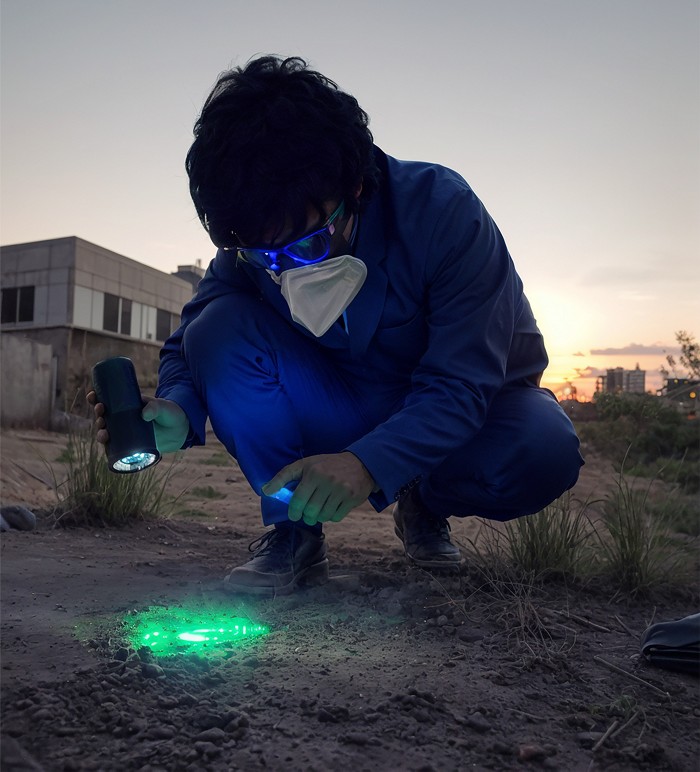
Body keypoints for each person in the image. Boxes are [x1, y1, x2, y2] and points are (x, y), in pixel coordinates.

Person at [91, 55, 583, 597]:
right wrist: (179, 407)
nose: (288, 269)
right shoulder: (254, 236)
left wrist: (369, 464)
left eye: (307, 245)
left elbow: (461, 384)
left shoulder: (445, 212)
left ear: (354, 190)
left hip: (468, 410)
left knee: (542, 448)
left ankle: (426, 501)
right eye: (263, 255)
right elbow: (192, 338)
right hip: (344, 398)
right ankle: (293, 533)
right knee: (217, 329)